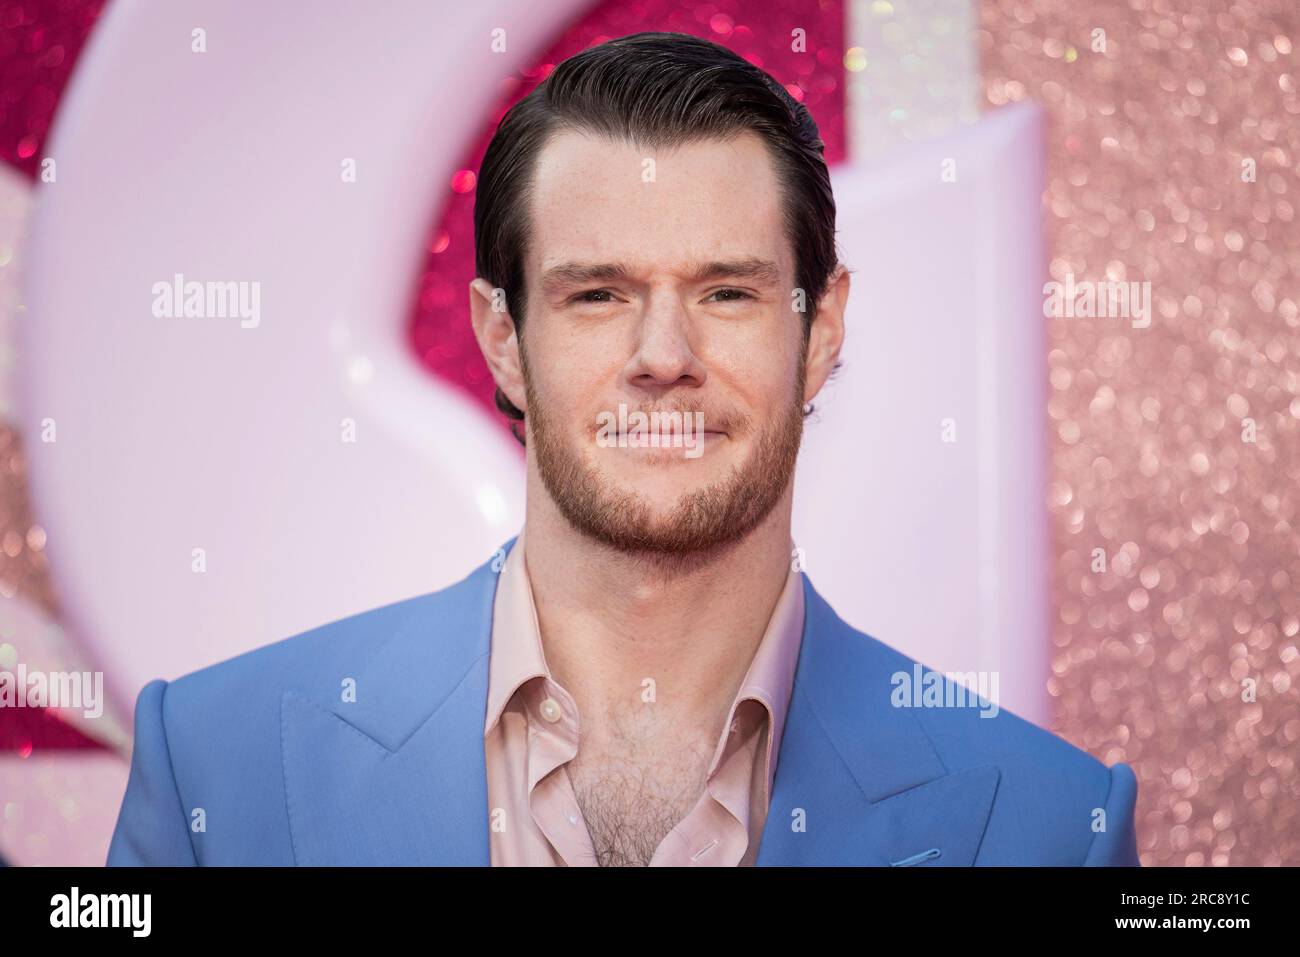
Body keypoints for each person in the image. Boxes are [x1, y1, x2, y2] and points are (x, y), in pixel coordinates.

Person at [107, 31, 1139, 867]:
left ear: (820, 331)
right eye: (596, 295)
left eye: (725, 293)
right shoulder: (215, 767)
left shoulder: (1049, 829)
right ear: (503, 339)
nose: (662, 357)